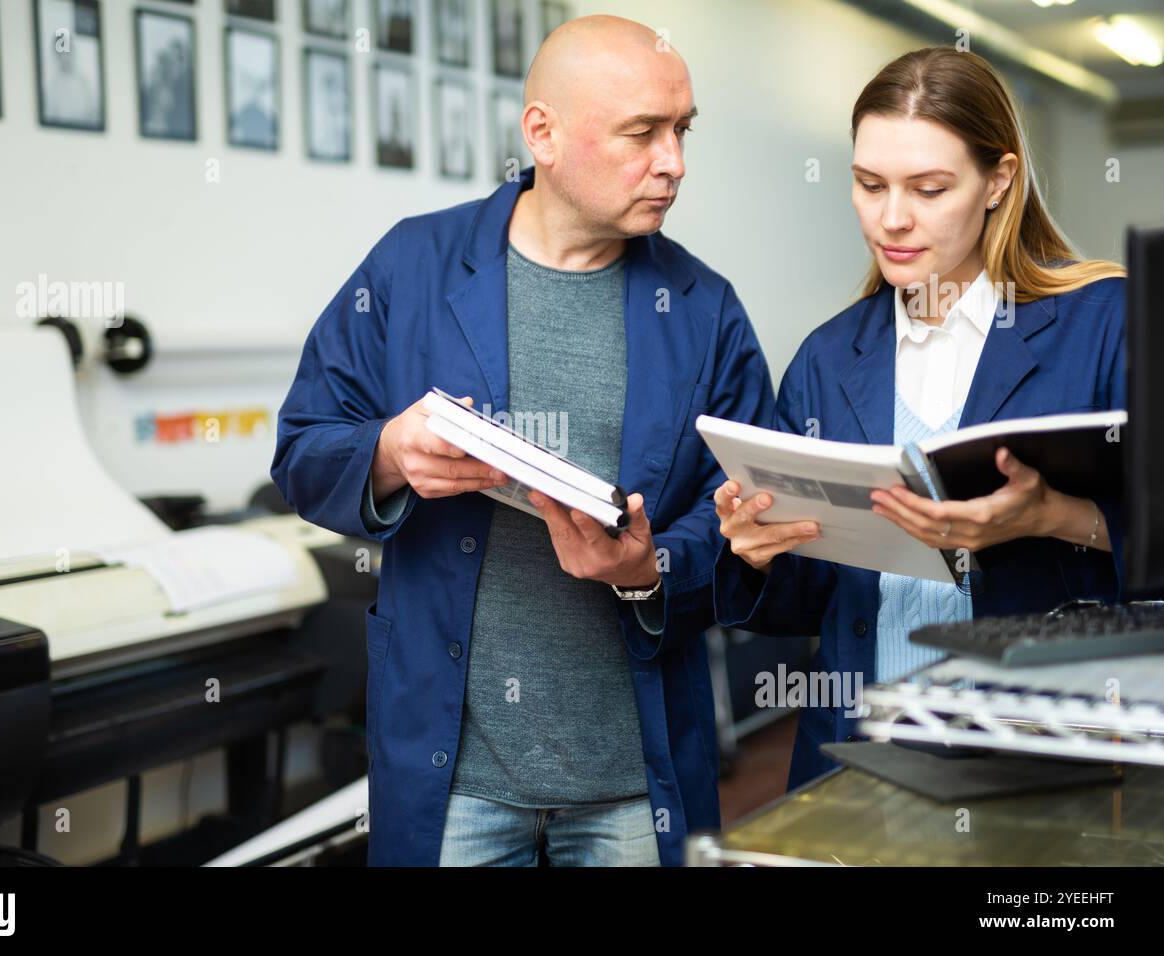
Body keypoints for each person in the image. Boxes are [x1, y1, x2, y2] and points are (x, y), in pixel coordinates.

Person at [273, 15, 775, 865]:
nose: (674, 163)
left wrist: (650, 569)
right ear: (540, 132)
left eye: (682, 131)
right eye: (641, 133)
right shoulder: (411, 268)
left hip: (632, 783)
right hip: (456, 778)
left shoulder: (703, 310)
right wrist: (391, 453)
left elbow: (750, 519)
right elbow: (302, 448)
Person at [713, 47, 1127, 790]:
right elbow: (808, 602)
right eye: (869, 185)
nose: (892, 218)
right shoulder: (826, 358)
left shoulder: (1103, 325)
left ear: (999, 180)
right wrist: (756, 550)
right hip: (858, 761)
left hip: (1044, 759)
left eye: (930, 189)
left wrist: (1056, 516)